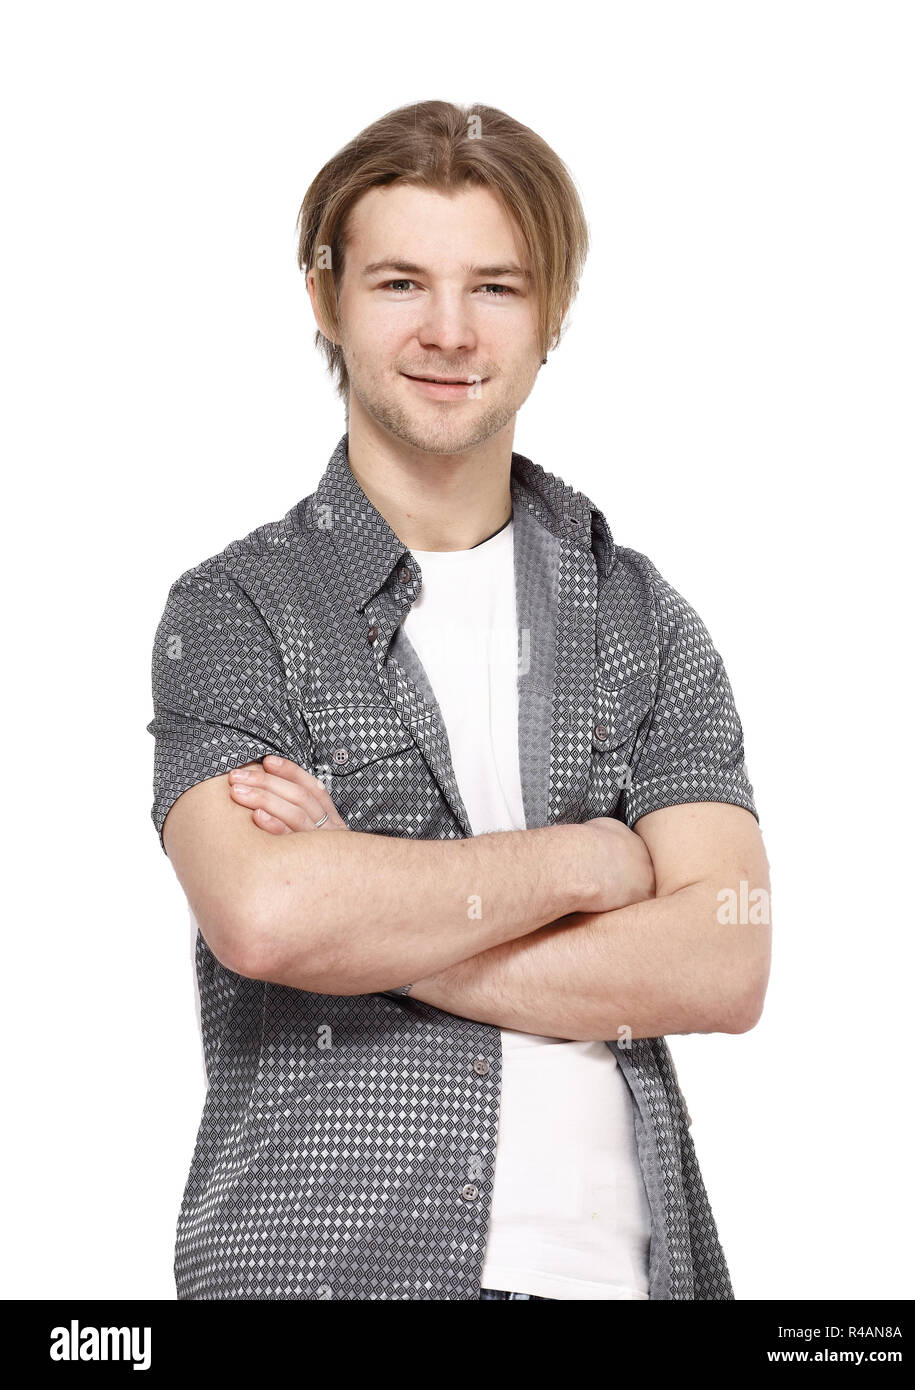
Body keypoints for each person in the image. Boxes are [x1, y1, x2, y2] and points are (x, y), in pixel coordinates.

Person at [147, 99, 771, 1301]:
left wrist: (374, 917)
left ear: (550, 315)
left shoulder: (642, 621)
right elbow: (271, 918)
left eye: (494, 286)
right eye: (398, 283)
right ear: (325, 298)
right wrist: (592, 863)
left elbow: (726, 954)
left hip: (629, 1277)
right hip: (333, 1264)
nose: (448, 330)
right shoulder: (236, 611)